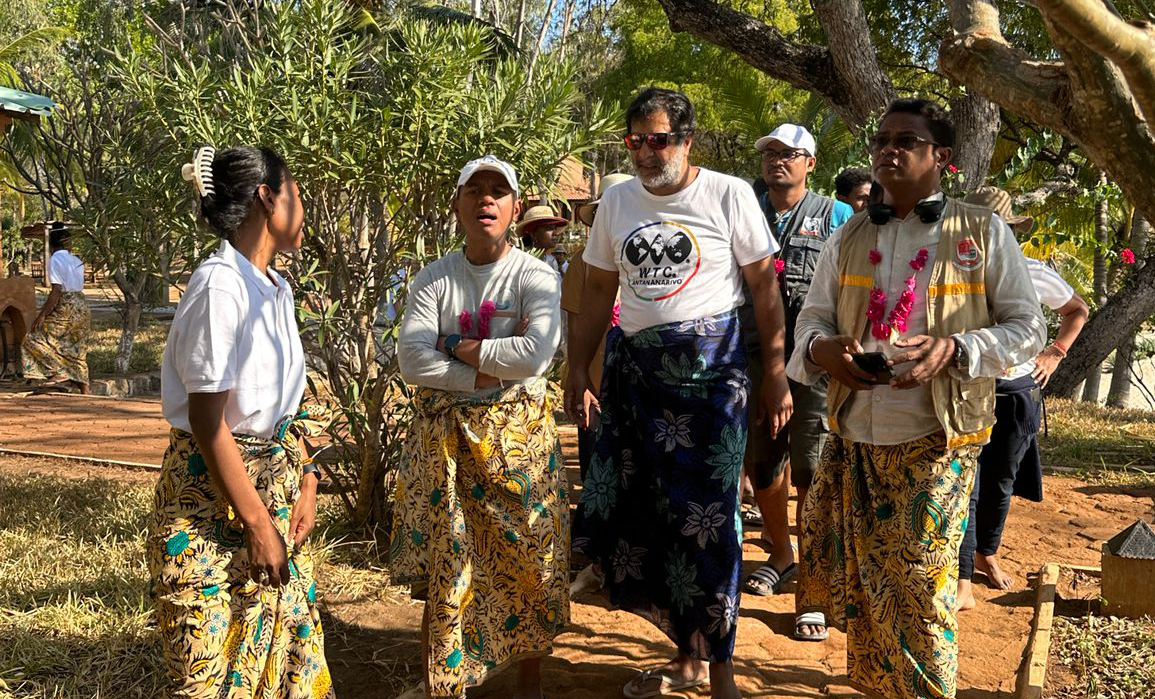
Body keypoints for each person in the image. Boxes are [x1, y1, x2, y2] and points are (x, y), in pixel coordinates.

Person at [788, 99, 1046, 699]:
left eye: (906, 140)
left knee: (922, 588)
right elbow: (812, 320)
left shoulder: (983, 231)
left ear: (943, 157)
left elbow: (1028, 326)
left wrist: (956, 349)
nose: (888, 151)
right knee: (870, 585)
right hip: (855, 433)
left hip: (939, 437)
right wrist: (823, 349)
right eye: (881, 140)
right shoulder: (850, 233)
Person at [565, 87, 792, 699]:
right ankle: (686, 660)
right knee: (655, 519)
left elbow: (764, 292)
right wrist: (577, 367)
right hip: (636, 382)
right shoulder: (616, 202)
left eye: (658, 139)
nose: (645, 152)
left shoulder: (728, 194)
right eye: (635, 140)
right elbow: (598, 293)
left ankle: (723, 676)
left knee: (712, 524)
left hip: (713, 384)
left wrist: (775, 374)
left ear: (687, 139)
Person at [148, 146, 335, 698]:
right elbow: (208, 423)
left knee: (284, 663)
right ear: (266, 198)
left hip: (270, 496)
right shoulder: (220, 287)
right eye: (297, 196)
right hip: (205, 507)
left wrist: (306, 482)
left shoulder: (274, 289)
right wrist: (258, 525)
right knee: (208, 671)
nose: (304, 212)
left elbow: (286, 408)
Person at [392, 155, 567, 699]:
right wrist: (491, 365)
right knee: (449, 557)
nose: (486, 199)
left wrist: (451, 345)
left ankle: (527, 682)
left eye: (499, 191)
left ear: (515, 209)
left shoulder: (535, 275)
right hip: (445, 443)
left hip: (519, 441)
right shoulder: (434, 279)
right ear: (457, 205)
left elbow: (536, 354)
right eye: (475, 190)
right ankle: (443, 678)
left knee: (530, 557)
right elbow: (410, 360)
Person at [739, 125, 852, 645]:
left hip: (813, 362)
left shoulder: (837, 216)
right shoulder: (744, 207)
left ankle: (813, 582)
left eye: (789, 155)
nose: (777, 161)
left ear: (812, 162)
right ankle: (780, 554)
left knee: (811, 467)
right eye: (771, 154)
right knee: (763, 461)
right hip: (751, 360)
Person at [956, 186, 1089, 611]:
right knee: (964, 482)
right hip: (961, 389)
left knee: (1000, 479)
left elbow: (1077, 310)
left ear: (1008, 231)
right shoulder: (947, 273)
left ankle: (986, 553)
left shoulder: (1031, 272)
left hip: (1015, 389)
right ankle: (961, 579)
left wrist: (1055, 352)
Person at [22, 222, 91, 394]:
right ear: (68, 243)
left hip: (66, 305)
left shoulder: (54, 260)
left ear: (51, 244)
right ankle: (85, 389)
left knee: (33, 339)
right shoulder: (76, 260)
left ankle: (59, 374)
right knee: (77, 347)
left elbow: (57, 290)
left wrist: (42, 315)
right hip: (82, 304)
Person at [518, 204, 569, 275]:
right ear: (533, 234)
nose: (555, 233)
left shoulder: (551, 261)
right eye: (549, 228)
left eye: (555, 228)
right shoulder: (522, 262)